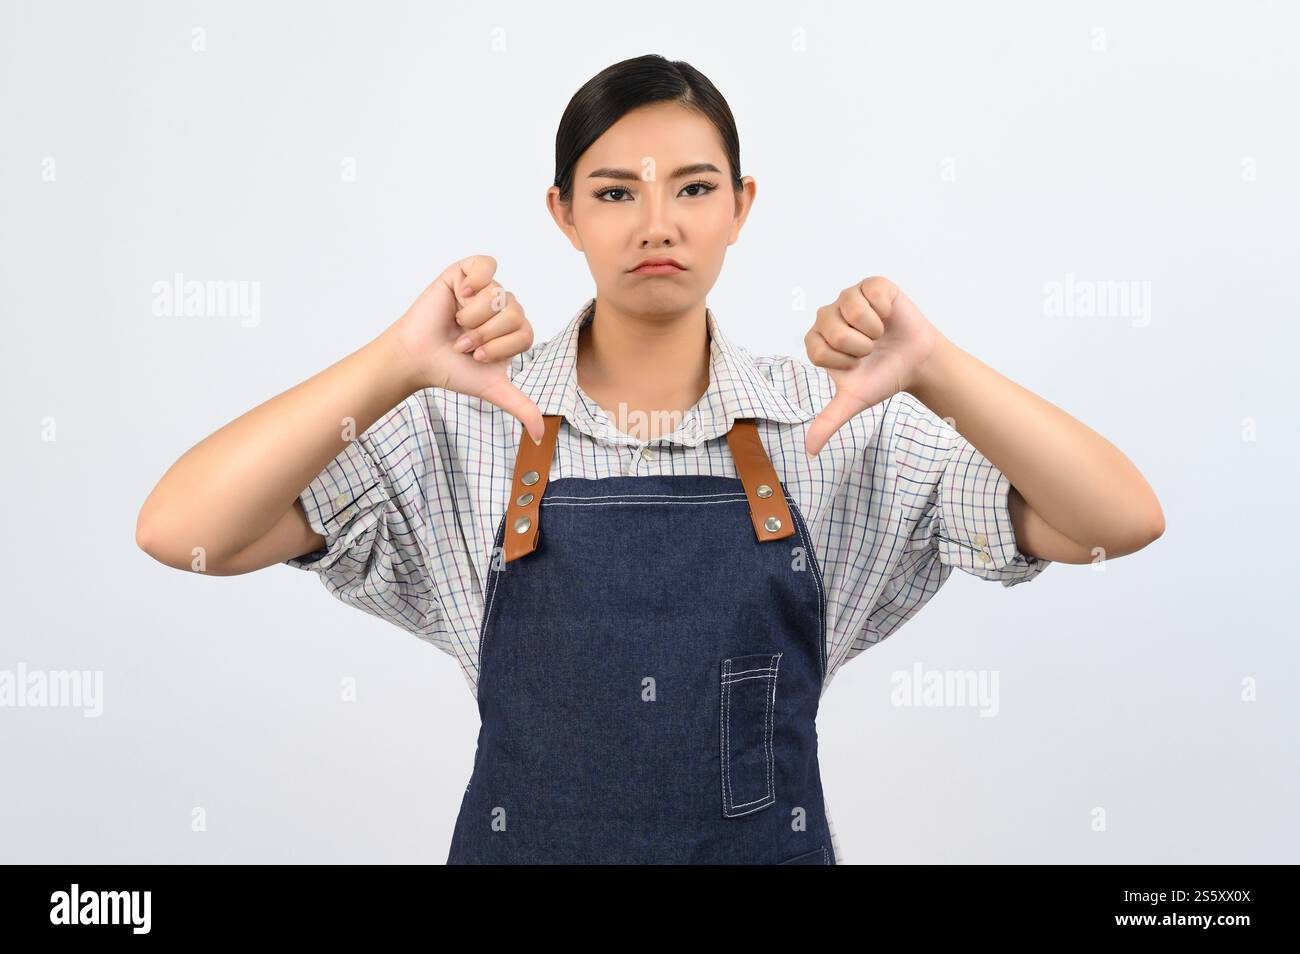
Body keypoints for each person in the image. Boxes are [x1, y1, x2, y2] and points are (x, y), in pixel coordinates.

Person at [136, 53, 1165, 864]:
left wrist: (934, 369)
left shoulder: (829, 423)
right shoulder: (466, 427)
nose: (658, 223)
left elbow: (1118, 520)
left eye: (693, 187)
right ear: (564, 213)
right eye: (616, 191)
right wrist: (393, 365)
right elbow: (181, 533)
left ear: (740, 207)